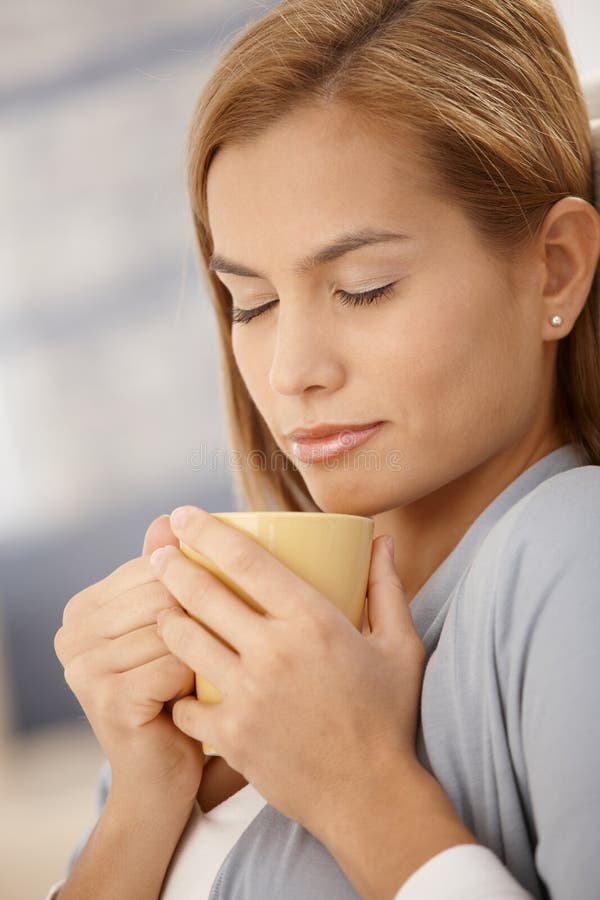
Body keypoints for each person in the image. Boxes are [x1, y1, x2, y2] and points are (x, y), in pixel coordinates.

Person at [48, 0, 600, 897]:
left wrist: (357, 786)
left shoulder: (575, 550)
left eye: (364, 288)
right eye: (252, 305)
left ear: (557, 268)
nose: (292, 370)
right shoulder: (255, 633)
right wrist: (147, 791)